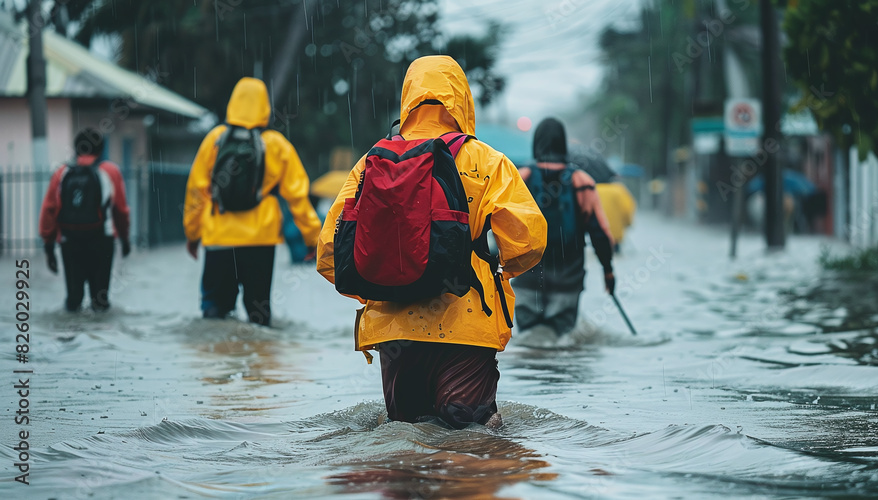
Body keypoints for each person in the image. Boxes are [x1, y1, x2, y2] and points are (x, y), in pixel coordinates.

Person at [316, 55, 546, 429]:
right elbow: (528, 241)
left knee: (403, 446)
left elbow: (329, 251)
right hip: (467, 325)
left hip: (394, 335)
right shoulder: (487, 161)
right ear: (462, 99)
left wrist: (381, 285)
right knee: (471, 442)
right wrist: (501, 273)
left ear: (408, 98)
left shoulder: (371, 163)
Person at [184, 77, 321, 326]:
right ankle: (258, 359)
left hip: (219, 237)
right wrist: (313, 238)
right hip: (261, 240)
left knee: (215, 313)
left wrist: (193, 234)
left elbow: (196, 191)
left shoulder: (215, 139)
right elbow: (298, 197)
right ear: (265, 106)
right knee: (259, 314)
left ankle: (217, 360)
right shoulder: (277, 145)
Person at [512, 117, 616, 338]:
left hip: (527, 279)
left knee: (530, 346)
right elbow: (600, 233)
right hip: (567, 281)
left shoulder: (520, 178)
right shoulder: (582, 182)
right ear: (562, 144)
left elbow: (501, 226)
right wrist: (608, 271)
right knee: (559, 345)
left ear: (536, 143)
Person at [39, 128, 131, 312]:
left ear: (76, 148)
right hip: (102, 241)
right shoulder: (110, 171)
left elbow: (49, 210)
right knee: (100, 300)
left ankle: (71, 336)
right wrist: (124, 239)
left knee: (74, 300)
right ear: (100, 149)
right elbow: (121, 210)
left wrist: (48, 246)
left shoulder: (61, 173)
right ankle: (99, 338)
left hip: (70, 241)